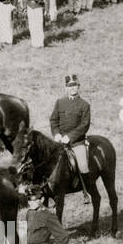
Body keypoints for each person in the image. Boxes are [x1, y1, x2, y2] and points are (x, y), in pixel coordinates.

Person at [50, 73, 92, 201]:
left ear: (79, 86)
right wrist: (56, 134)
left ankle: (87, 191)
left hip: (76, 143)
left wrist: (70, 137)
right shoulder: (59, 102)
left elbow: (84, 125)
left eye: (74, 85)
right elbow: (53, 120)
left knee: (83, 166)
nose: (72, 88)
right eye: (69, 86)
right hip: (60, 141)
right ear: (65, 88)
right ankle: (48, 190)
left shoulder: (84, 105)